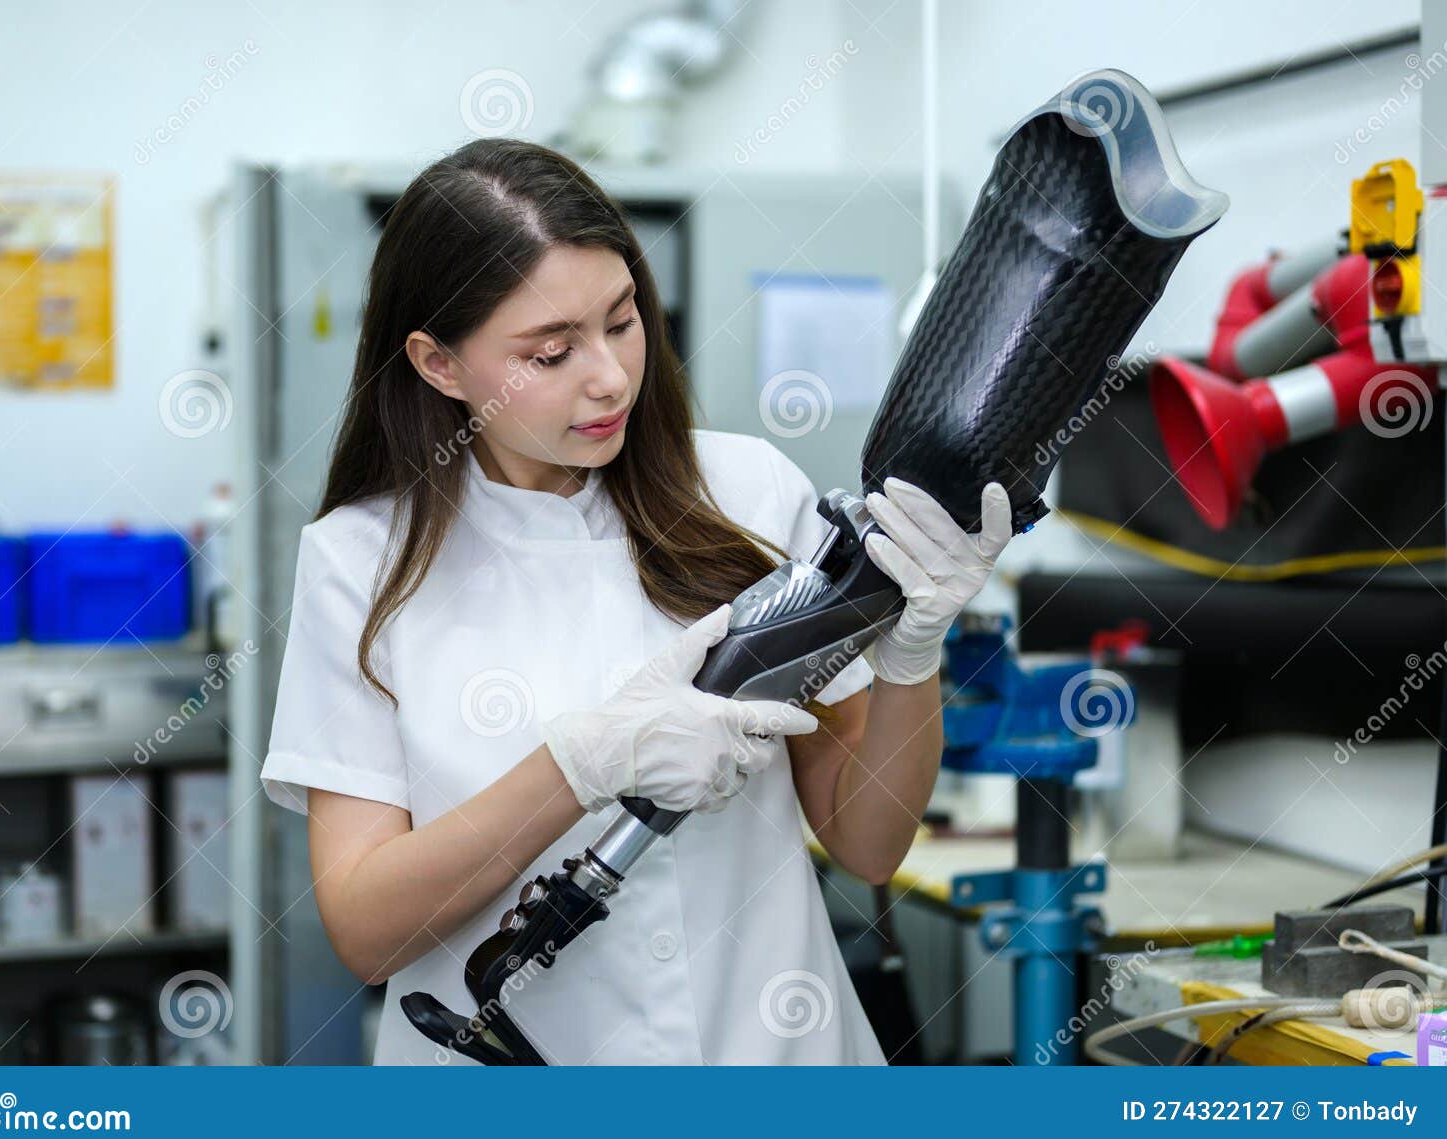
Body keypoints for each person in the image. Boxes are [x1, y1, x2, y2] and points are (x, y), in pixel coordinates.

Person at [259, 137, 1012, 1064]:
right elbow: (367, 929)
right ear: (438, 363)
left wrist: (912, 659)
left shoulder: (748, 492)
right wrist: (581, 764)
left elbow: (867, 843)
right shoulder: (360, 563)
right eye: (551, 352)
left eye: (622, 320)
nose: (610, 375)